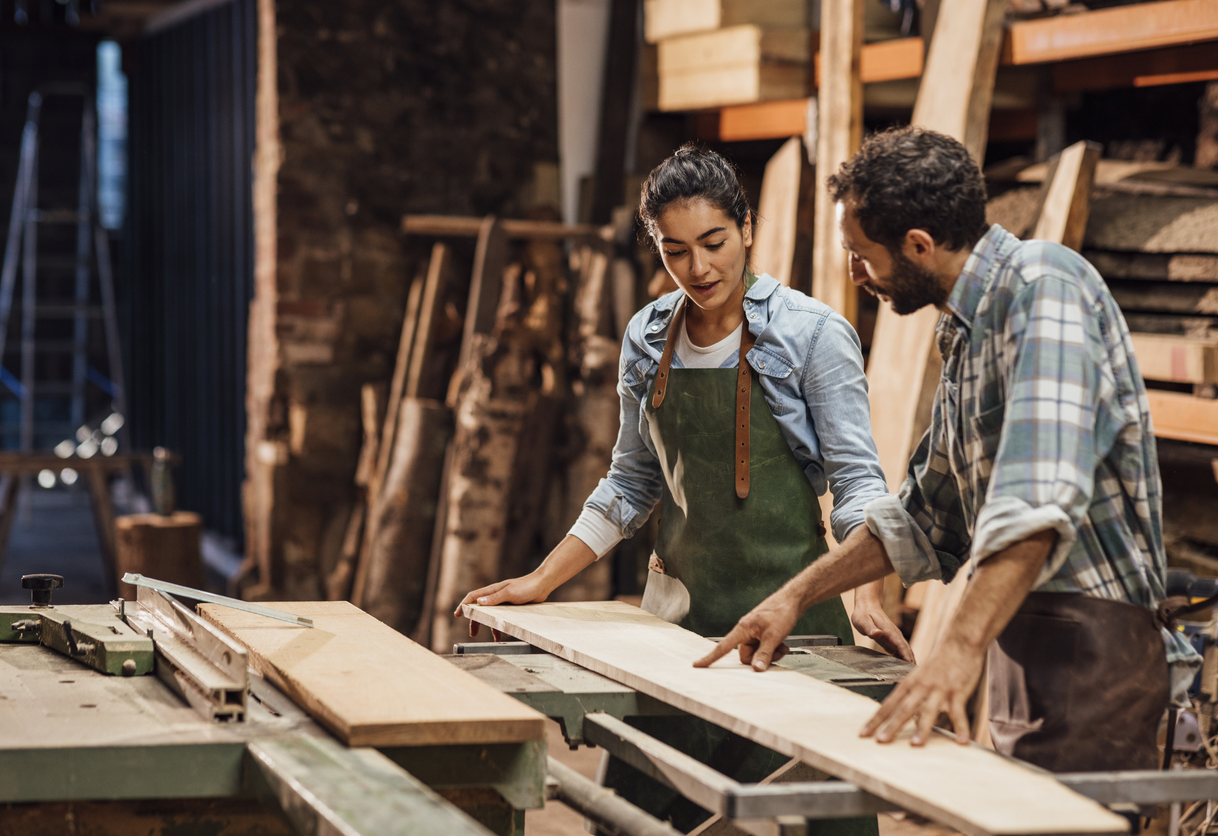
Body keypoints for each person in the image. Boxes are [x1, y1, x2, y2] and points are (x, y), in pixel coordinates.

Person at [696, 126, 1202, 773]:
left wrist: (956, 648)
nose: (854, 274)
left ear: (917, 246)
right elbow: (922, 518)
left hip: (1098, 642)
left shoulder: (1042, 289)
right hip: (1027, 634)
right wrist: (792, 597)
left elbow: (1034, 509)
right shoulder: (964, 331)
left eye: (860, 255)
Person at [455, 144, 908, 831]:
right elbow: (629, 484)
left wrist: (867, 591)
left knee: (798, 813)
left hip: (789, 637)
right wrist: (540, 582)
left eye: (713, 242)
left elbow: (855, 482)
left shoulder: (813, 335)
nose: (697, 269)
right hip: (674, 641)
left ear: (747, 229)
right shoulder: (645, 337)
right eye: (673, 251)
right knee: (639, 817)